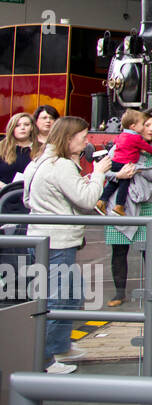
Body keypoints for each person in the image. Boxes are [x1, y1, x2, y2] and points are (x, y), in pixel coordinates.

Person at [25, 115, 132, 374]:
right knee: (59, 300)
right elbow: (86, 200)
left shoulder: (41, 160)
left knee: (72, 292)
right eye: (82, 138)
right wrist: (98, 174)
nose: (86, 143)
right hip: (57, 242)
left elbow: (28, 198)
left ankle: (59, 345)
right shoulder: (61, 165)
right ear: (68, 139)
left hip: (46, 238)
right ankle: (44, 360)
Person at [105, 113, 152, 308]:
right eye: (146, 125)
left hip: (145, 204)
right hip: (119, 205)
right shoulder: (119, 146)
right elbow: (106, 170)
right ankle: (119, 293)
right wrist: (120, 173)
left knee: (149, 249)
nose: (150, 129)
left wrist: (139, 169)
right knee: (119, 248)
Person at [96, 109, 152, 216]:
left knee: (113, 183)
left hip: (116, 162)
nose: (144, 127)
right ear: (133, 127)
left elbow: (116, 142)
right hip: (125, 164)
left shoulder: (121, 135)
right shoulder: (136, 137)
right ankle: (119, 206)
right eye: (143, 124)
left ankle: (101, 201)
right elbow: (145, 146)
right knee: (123, 185)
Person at [0, 112, 36, 184]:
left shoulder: (41, 149)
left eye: (26, 125)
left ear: (32, 127)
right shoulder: (2, 147)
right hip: (3, 191)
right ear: (12, 128)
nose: (22, 128)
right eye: (17, 125)